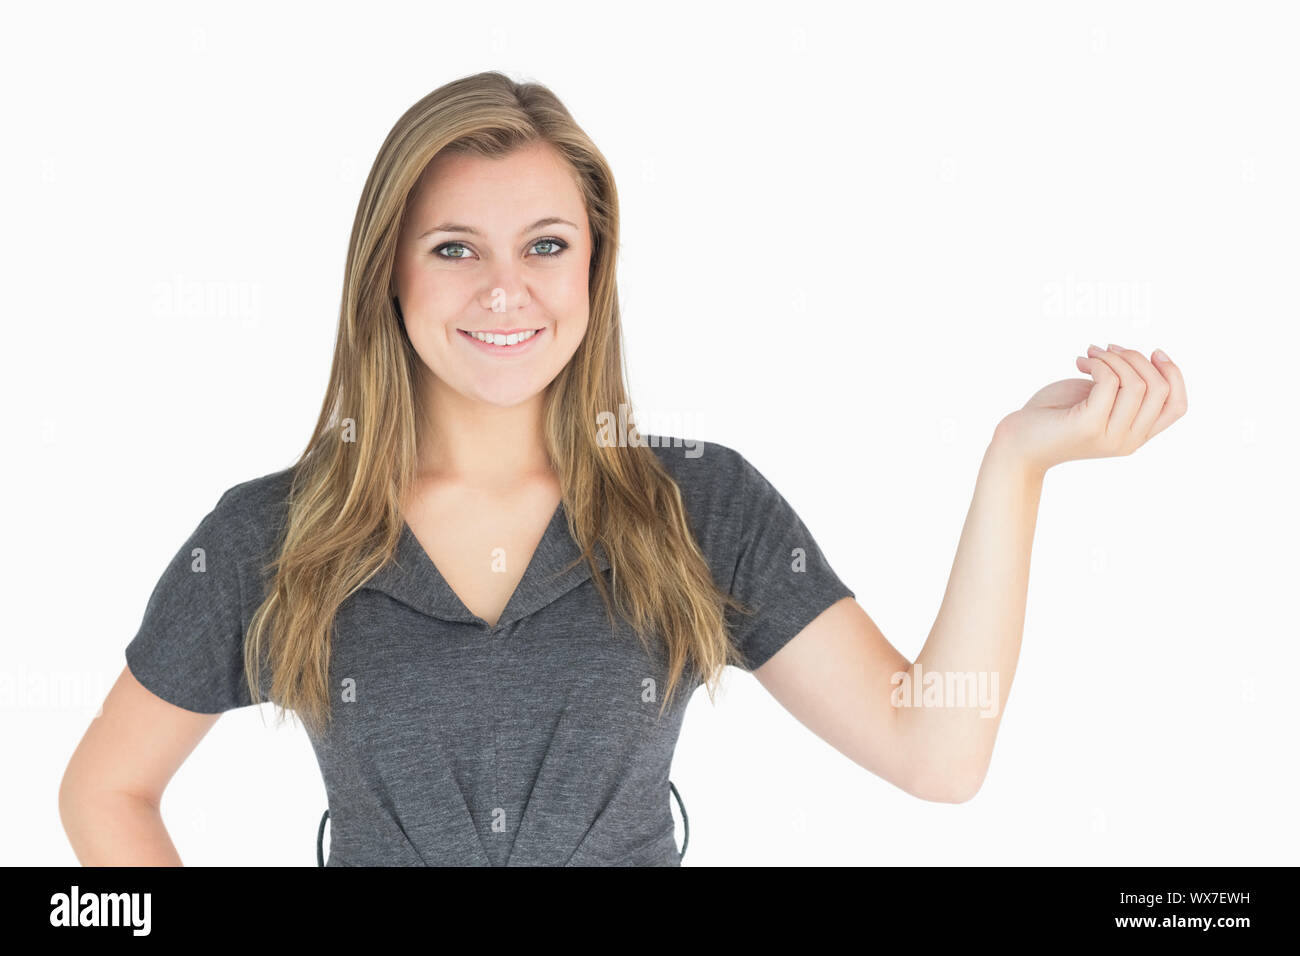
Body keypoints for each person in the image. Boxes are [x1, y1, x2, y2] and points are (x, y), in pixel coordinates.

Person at [58, 71, 1188, 866]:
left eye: (546, 244)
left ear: (593, 271)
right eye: (456, 248)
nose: (506, 291)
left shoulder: (698, 505)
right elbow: (103, 789)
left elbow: (934, 750)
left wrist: (1015, 466)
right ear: (388, 277)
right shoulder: (273, 532)